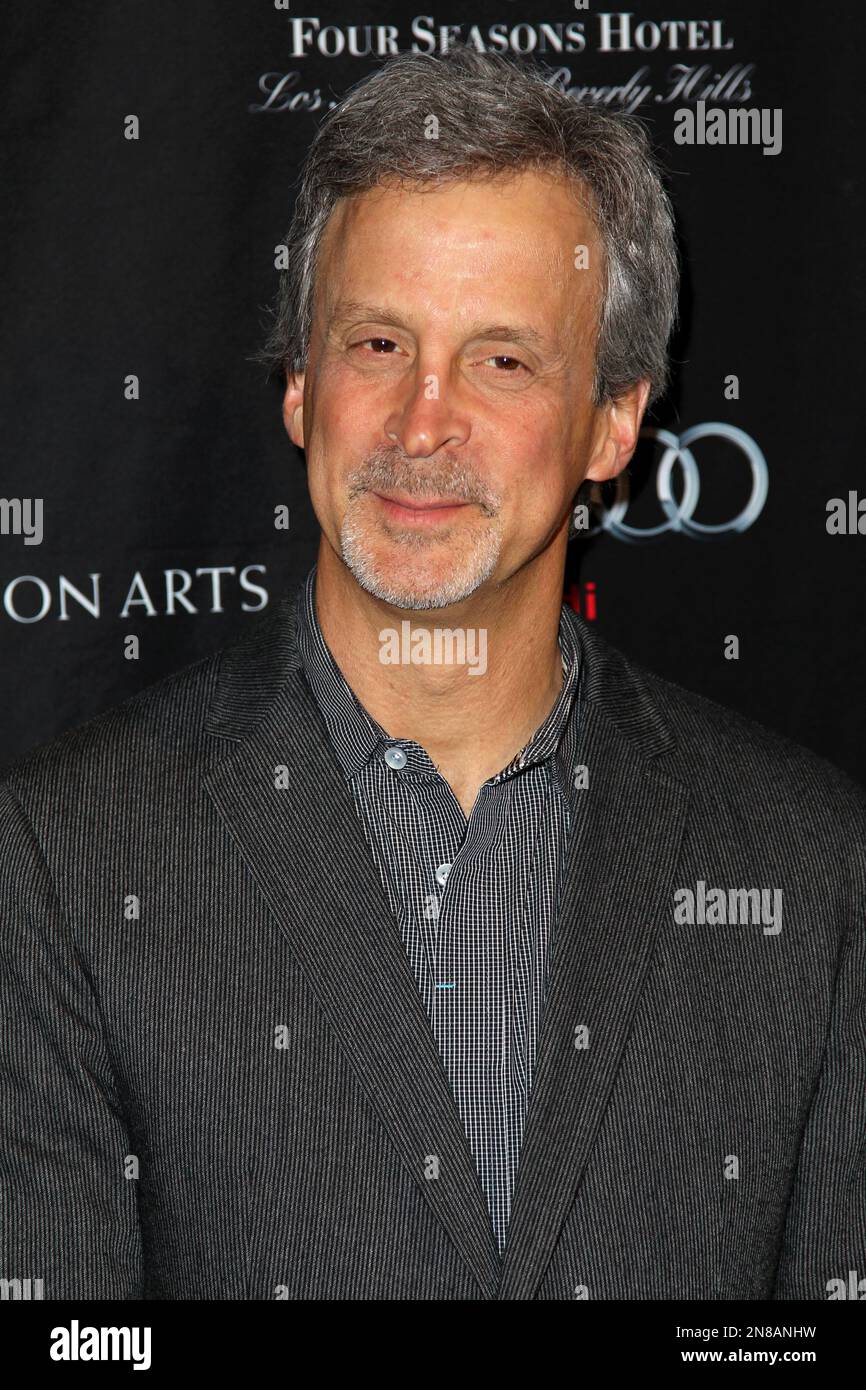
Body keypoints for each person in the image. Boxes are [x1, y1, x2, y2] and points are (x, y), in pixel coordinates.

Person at [1, 44, 863, 1302]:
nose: (420, 425)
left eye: (502, 359)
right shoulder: (62, 859)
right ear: (301, 386)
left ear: (615, 418)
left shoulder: (807, 868)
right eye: (376, 345)